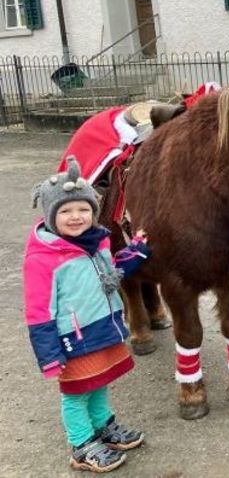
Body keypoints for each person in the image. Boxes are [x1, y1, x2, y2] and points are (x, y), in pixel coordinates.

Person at [22, 156, 150, 473]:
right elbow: (38, 310)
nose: (76, 217)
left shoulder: (97, 242)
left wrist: (136, 251)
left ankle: (103, 426)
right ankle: (81, 445)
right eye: (66, 211)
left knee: (98, 382)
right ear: (51, 215)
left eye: (84, 209)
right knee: (76, 394)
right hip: (71, 338)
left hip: (101, 329)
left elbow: (112, 274)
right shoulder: (44, 258)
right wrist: (48, 354)